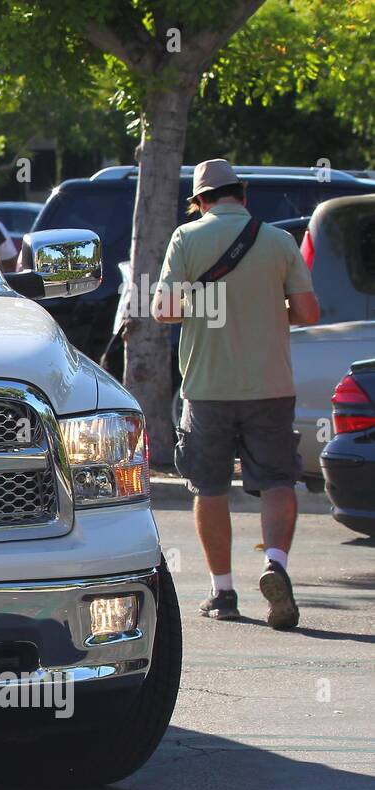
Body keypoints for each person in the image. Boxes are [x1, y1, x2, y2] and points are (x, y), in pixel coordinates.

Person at [151, 158, 320, 630]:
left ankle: (223, 591)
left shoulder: (186, 238)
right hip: (270, 385)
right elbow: (308, 312)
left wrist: (205, 305)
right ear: (242, 195)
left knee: (210, 487)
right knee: (278, 481)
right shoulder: (280, 240)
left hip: (207, 388)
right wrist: (265, 308)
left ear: (200, 202)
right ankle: (276, 564)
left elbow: (164, 310)